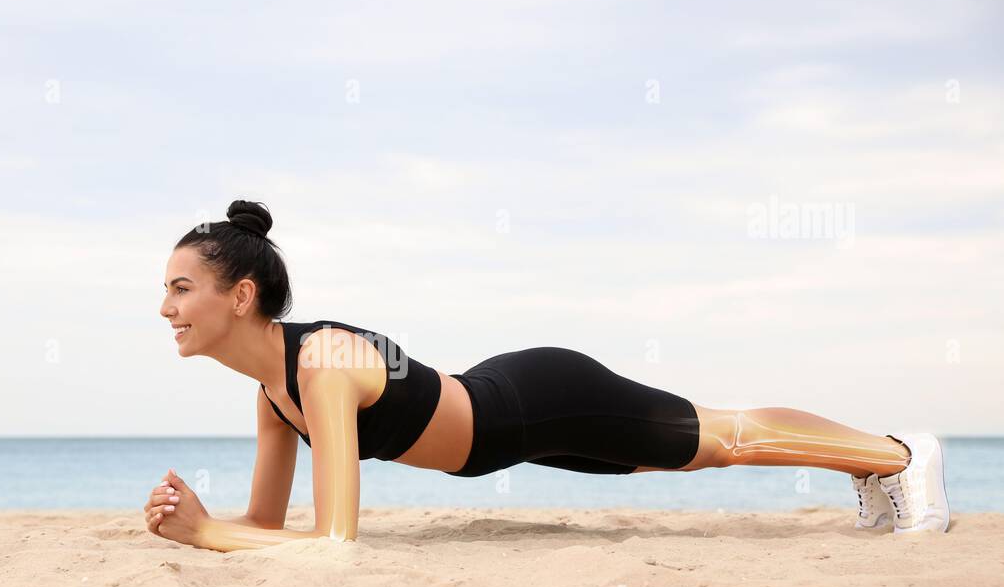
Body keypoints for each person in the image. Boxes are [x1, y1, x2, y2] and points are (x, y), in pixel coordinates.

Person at [146, 200, 950, 551]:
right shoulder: (272, 395)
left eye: (182, 289)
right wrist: (202, 522)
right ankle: (870, 469)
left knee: (718, 440)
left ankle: (900, 456)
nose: (166, 307)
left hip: (538, 402)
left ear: (240, 296)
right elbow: (269, 526)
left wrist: (211, 537)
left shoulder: (322, 363)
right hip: (513, 427)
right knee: (687, 455)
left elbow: (333, 546)